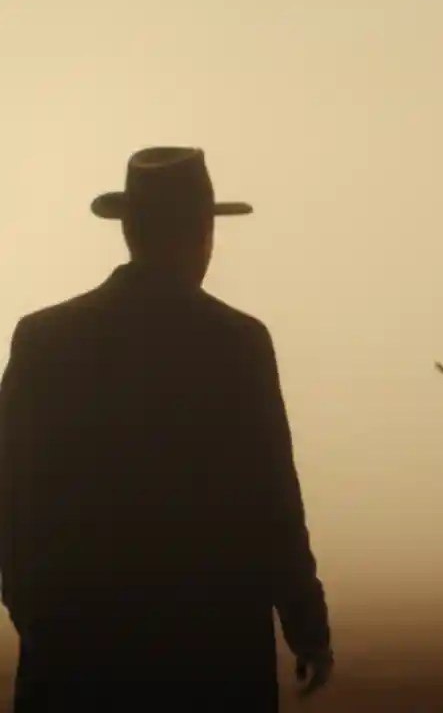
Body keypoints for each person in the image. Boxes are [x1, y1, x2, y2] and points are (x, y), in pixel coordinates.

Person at [0, 147, 333, 711]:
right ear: (203, 233)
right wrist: (306, 625)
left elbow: (7, 487)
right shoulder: (238, 343)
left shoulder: (44, 338)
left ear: (128, 230)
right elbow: (274, 500)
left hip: (76, 657)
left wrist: (34, 613)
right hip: (213, 658)